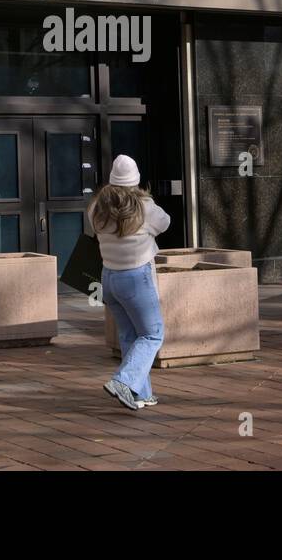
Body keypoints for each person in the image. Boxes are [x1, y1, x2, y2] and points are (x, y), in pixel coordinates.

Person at [86, 155, 170, 411]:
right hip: (136, 278)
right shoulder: (144, 207)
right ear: (135, 180)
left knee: (130, 335)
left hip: (109, 277)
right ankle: (122, 381)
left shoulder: (96, 208)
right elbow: (165, 223)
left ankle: (140, 394)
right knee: (153, 334)